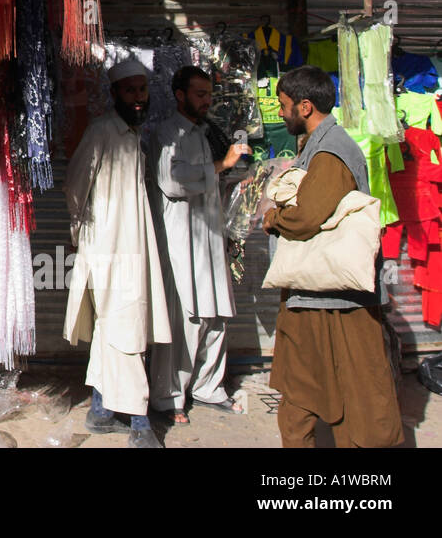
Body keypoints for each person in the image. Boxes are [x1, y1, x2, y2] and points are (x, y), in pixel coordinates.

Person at [263, 65, 404, 448]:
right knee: (301, 388)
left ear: (305, 107)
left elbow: (309, 216)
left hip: (336, 301)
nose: (280, 112)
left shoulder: (330, 151)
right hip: (315, 297)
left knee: (355, 391)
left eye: (284, 104)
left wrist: (274, 218)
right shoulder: (322, 145)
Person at [64, 58, 171, 448]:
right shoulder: (102, 131)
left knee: (116, 324)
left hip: (132, 243)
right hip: (109, 248)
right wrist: (82, 236)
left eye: (142, 90)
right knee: (126, 324)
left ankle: (101, 408)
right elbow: (75, 185)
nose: (138, 97)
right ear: (114, 94)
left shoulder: (133, 134)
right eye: (130, 90)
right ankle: (140, 422)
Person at [149, 66, 251, 424]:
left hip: (210, 232)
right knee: (186, 317)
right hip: (182, 239)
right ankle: (169, 396)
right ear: (180, 95)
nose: (207, 101)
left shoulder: (207, 132)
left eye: (209, 95)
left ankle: (209, 387)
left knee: (216, 314)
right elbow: (172, 181)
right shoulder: (168, 134)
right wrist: (222, 165)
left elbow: (214, 177)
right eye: (200, 94)